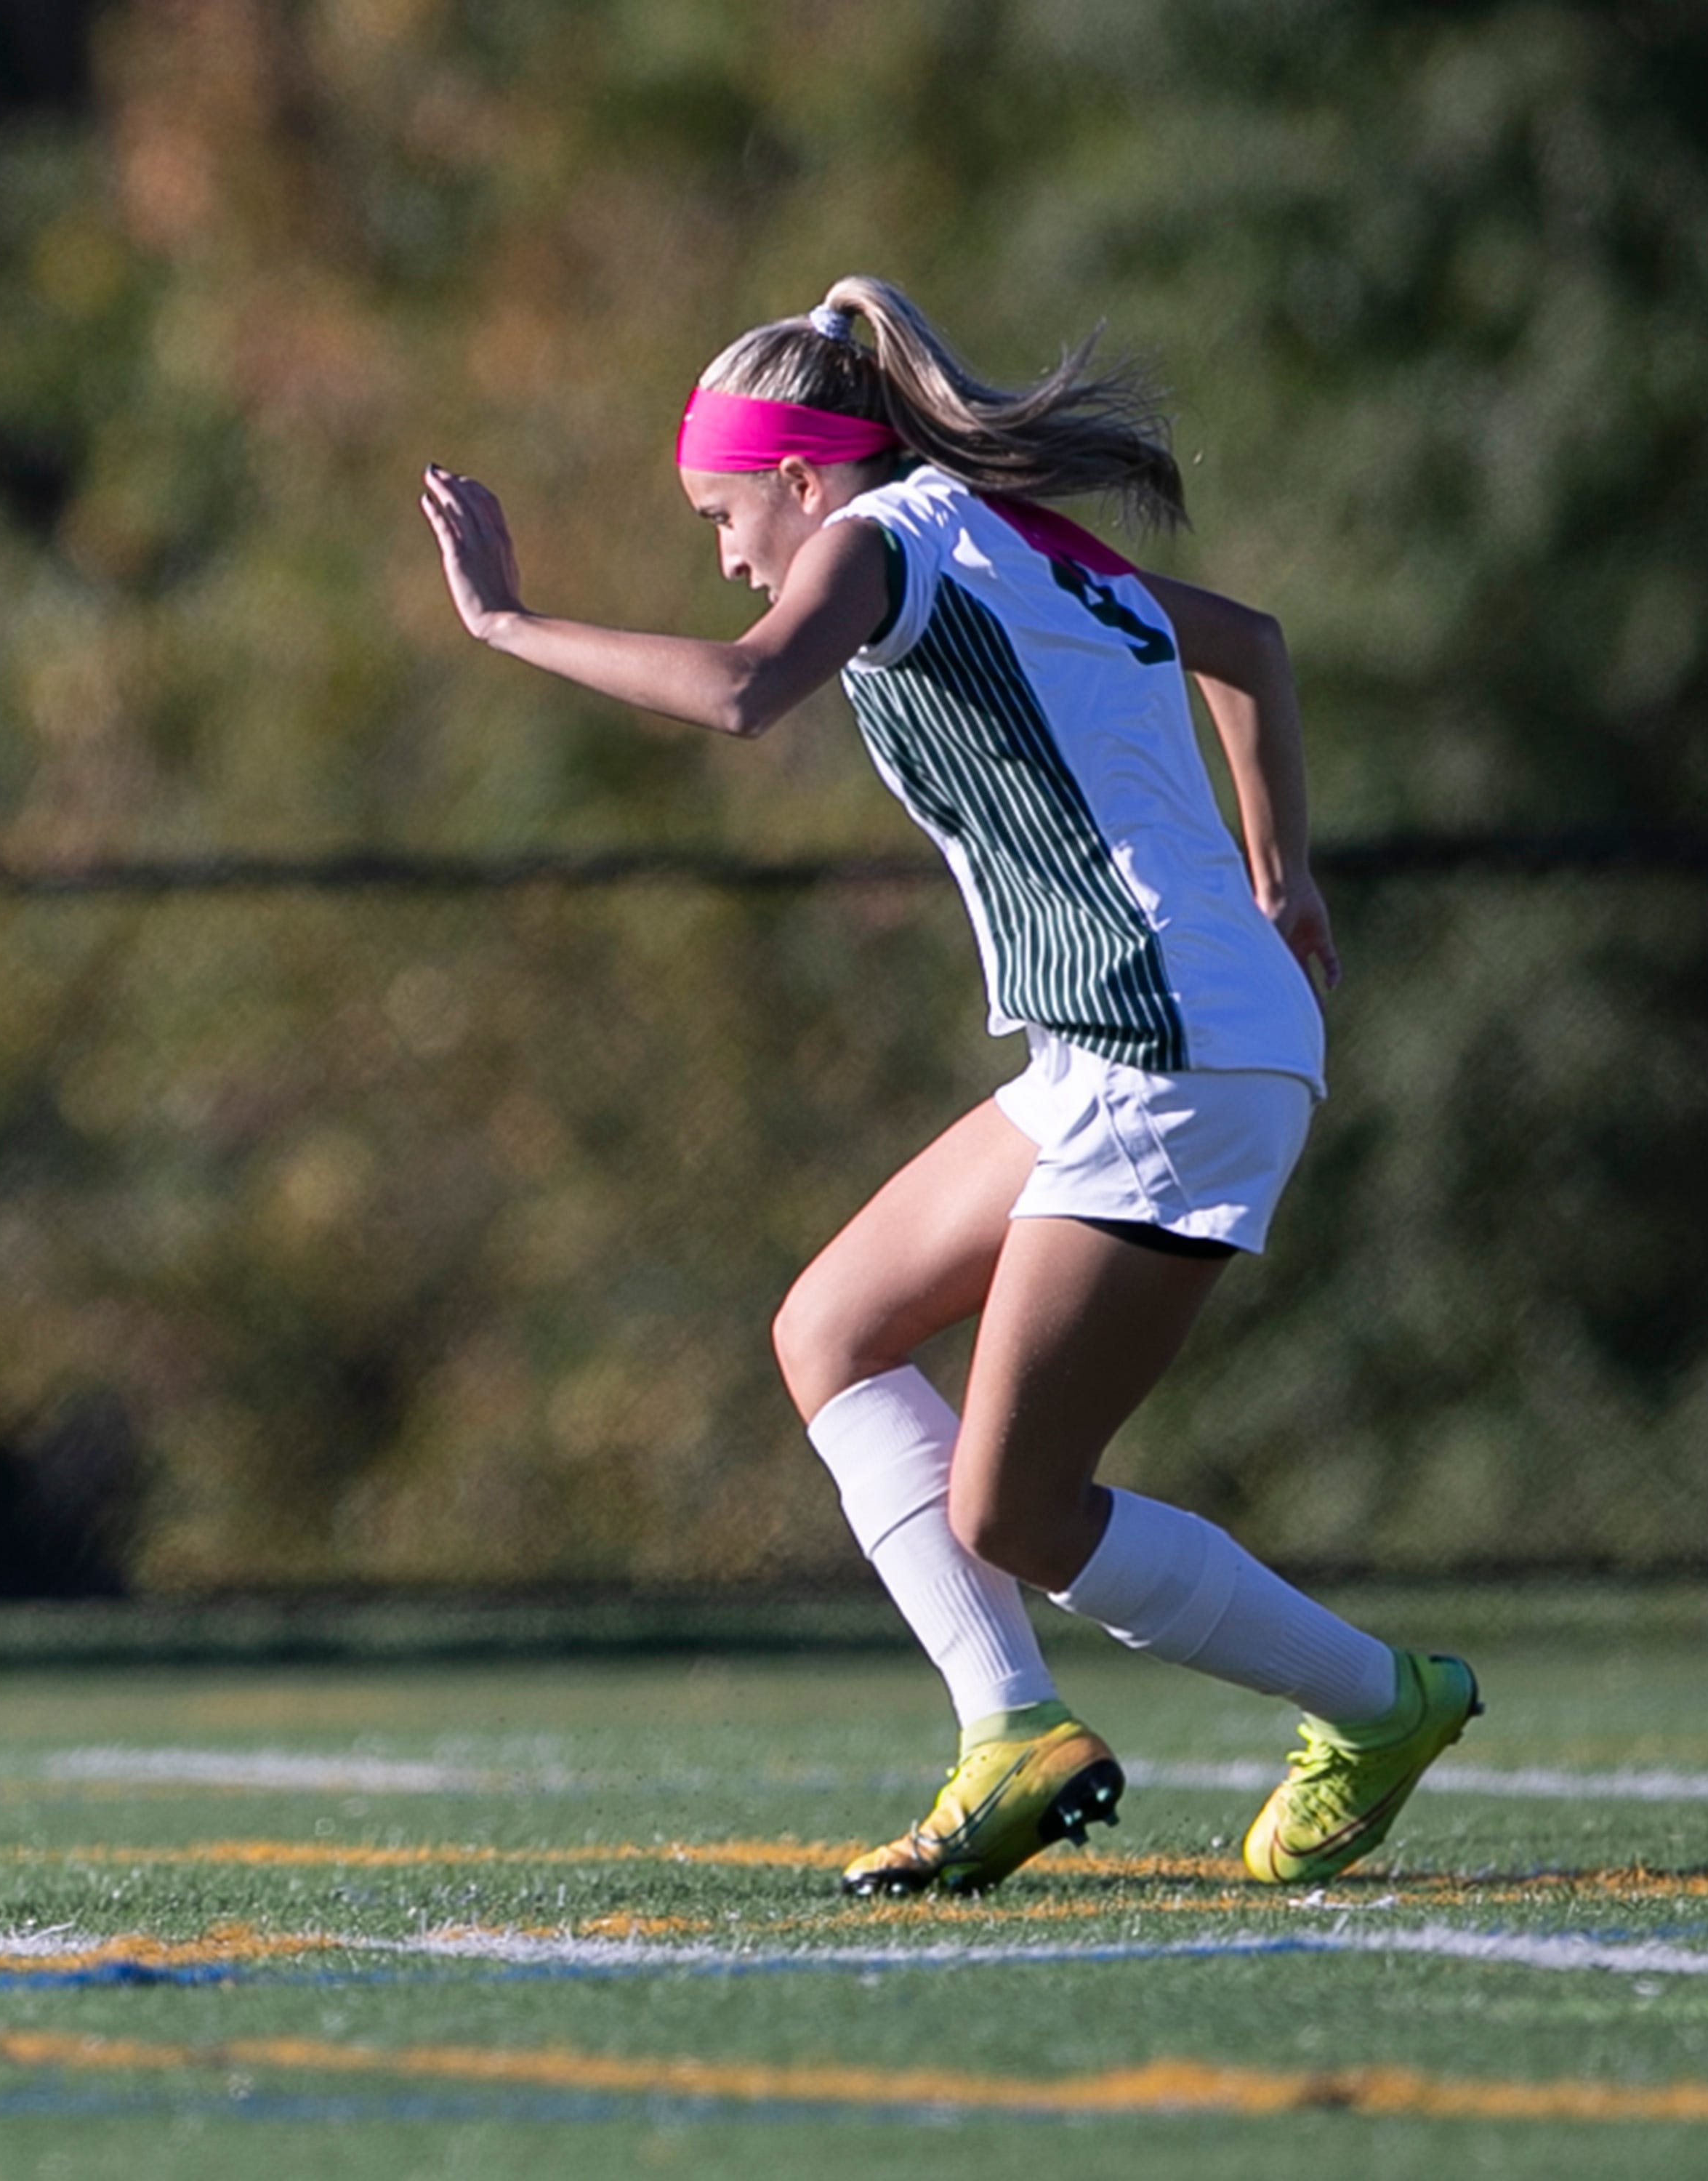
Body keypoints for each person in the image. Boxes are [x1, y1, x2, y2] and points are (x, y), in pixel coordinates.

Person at [418, 276, 1478, 1895]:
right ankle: (1011, 1731)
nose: (724, 555)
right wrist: (1283, 879)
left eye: (721, 515)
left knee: (1013, 1508)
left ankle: (1377, 1703)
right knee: (828, 1331)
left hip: (1167, 1048)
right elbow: (1248, 647)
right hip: (1144, 1033)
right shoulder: (1020, 536)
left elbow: (738, 689)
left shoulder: (881, 539)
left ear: (796, 480)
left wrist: (505, 622)